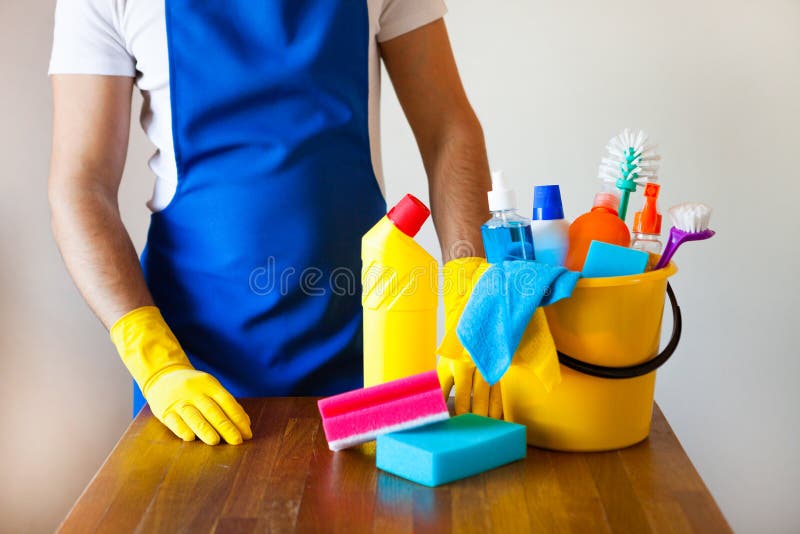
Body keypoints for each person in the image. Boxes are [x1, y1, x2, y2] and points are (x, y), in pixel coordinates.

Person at [48, 0, 498, 446]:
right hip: (192, 373)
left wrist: (469, 291)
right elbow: (82, 185)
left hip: (368, 358)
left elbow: (448, 129)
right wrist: (153, 356)